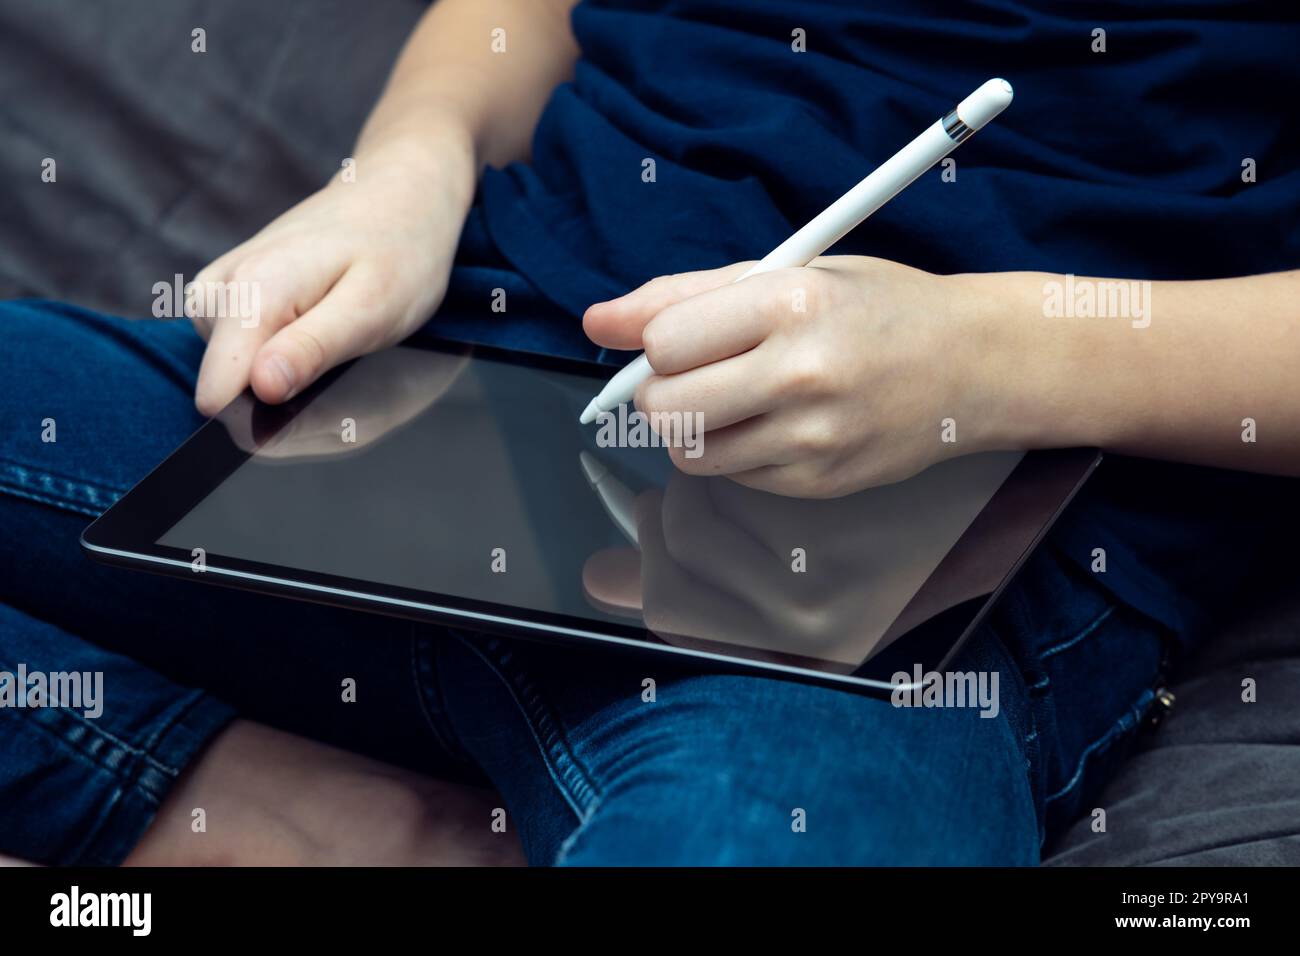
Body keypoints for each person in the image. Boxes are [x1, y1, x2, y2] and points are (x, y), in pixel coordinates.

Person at [1, 0, 1296, 865]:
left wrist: (993, 356)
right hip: (439, 376)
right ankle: (321, 827)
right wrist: (407, 162)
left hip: (942, 540)